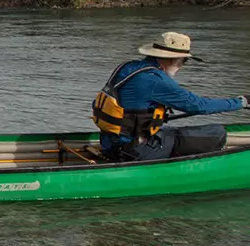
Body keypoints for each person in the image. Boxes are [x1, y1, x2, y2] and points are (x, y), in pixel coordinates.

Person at [92, 32, 248, 162]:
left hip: (110, 145)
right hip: (137, 151)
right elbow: (199, 105)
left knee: (171, 131)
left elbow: (131, 109)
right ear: (173, 58)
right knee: (216, 132)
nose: (183, 65)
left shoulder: (127, 67)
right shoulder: (154, 80)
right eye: (184, 60)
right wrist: (241, 101)